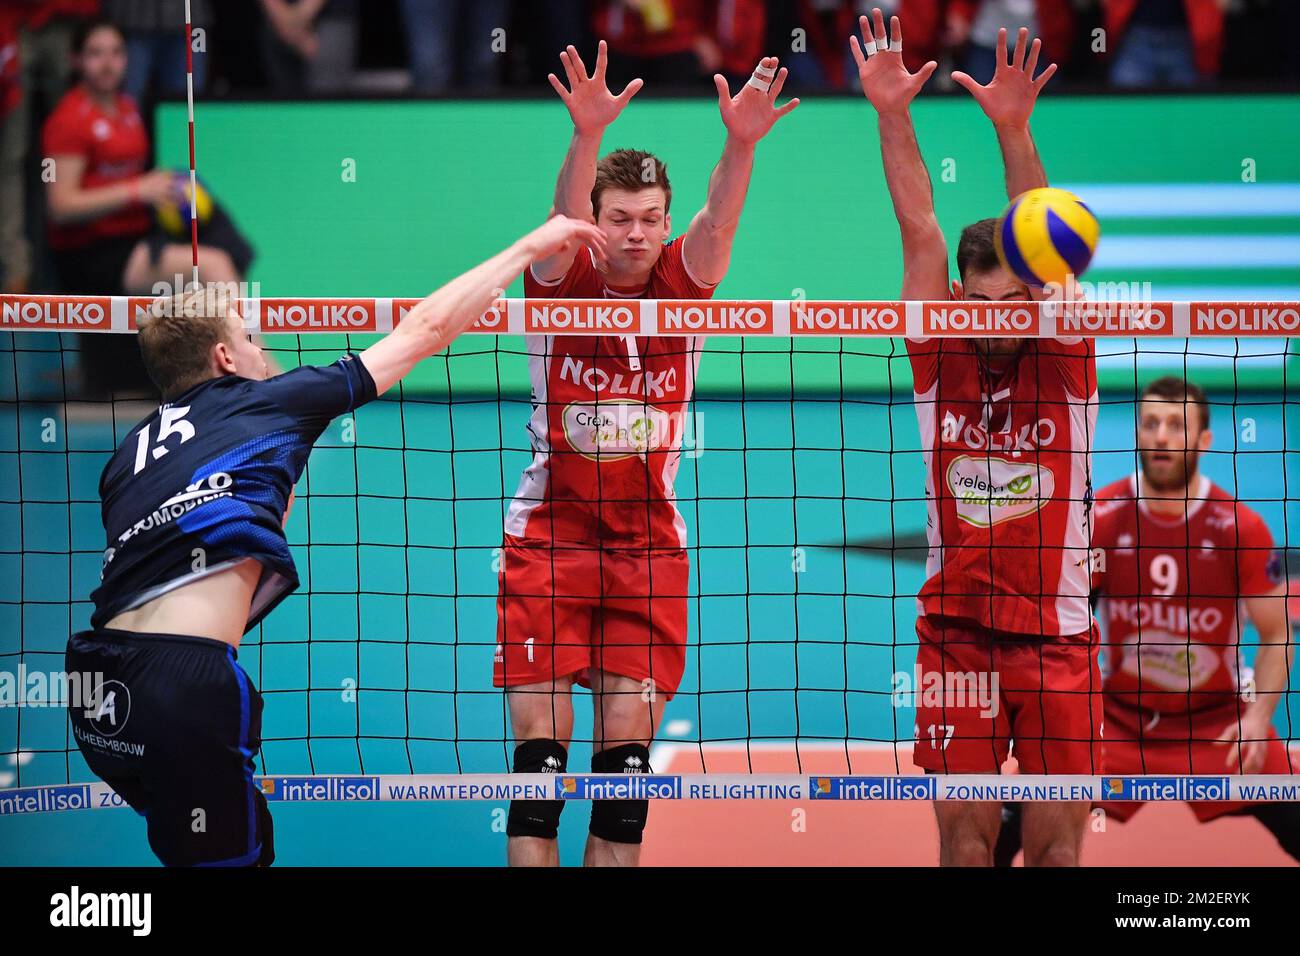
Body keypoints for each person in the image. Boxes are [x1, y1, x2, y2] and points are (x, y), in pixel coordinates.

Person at [65, 215, 606, 867]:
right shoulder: (268, 403)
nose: (268, 352)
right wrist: (529, 246)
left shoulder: (126, 455)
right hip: (186, 682)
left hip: (96, 690)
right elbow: (425, 330)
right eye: (252, 337)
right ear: (225, 359)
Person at [496, 39, 797, 867]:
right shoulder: (560, 276)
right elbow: (560, 221)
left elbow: (720, 217)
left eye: (649, 219)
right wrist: (586, 134)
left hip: (647, 549)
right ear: (596, 219)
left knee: (622, 804)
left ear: (666, 222)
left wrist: (740, 144)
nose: (635, 234)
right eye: (618, 217)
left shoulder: (685, 280)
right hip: (547, 541)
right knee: (537, 790)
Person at [854, 8, 1098, 866]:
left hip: (1060, 638)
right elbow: (920, 228)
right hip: (955, 633)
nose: (999, 322)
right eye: (981, 303)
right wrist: (892, 113)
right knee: (964, 849)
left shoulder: (1066, 360)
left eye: (1016, 302)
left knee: (1058, 856)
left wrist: (1015, 131)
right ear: (959, 297)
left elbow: (1050, 247)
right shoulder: (937, 353)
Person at [994, 377, 1299, 865]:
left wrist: (1258, 717)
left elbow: (1278, 632)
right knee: (1008, 824)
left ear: (1203, 441)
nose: (1159, 436)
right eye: (1150, 423)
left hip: (1216, 725)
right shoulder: (1104, 518)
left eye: (1176, 425)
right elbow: (1060, 624)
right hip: (1116, 724)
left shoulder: (1239, 526)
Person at [42, 19, 252, 396]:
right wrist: (139, 189)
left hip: (135, 237)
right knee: (213, 266)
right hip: (92, 251)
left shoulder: (126, 108)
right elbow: (61, 205)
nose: (107, 63)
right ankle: (260, 375)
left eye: (116, 53)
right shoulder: (69, 120)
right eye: (95, 53)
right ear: (76, 60)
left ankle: (220, 378)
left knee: (225, 248)